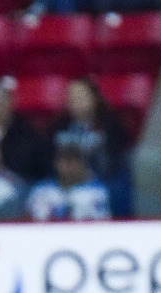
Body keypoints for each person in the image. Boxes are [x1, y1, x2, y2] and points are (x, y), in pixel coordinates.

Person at [46, 77, 134, 217]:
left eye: (81, 96)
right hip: (65, 180)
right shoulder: (58, 127)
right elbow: (48, 159)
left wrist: (88, 175)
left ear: (94, 98)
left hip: (101, 178)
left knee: (118, 188)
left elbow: (114, 160)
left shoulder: (111, 126)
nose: (76, 102)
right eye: (72, 98)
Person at [27, 144, 109, 221]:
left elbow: (101, 224)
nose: (68, 166)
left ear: (82, 163)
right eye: (63, 160)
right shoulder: (41, 190)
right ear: (56, 163)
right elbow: (28, 221)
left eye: (72, 161)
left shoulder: (95, 192)